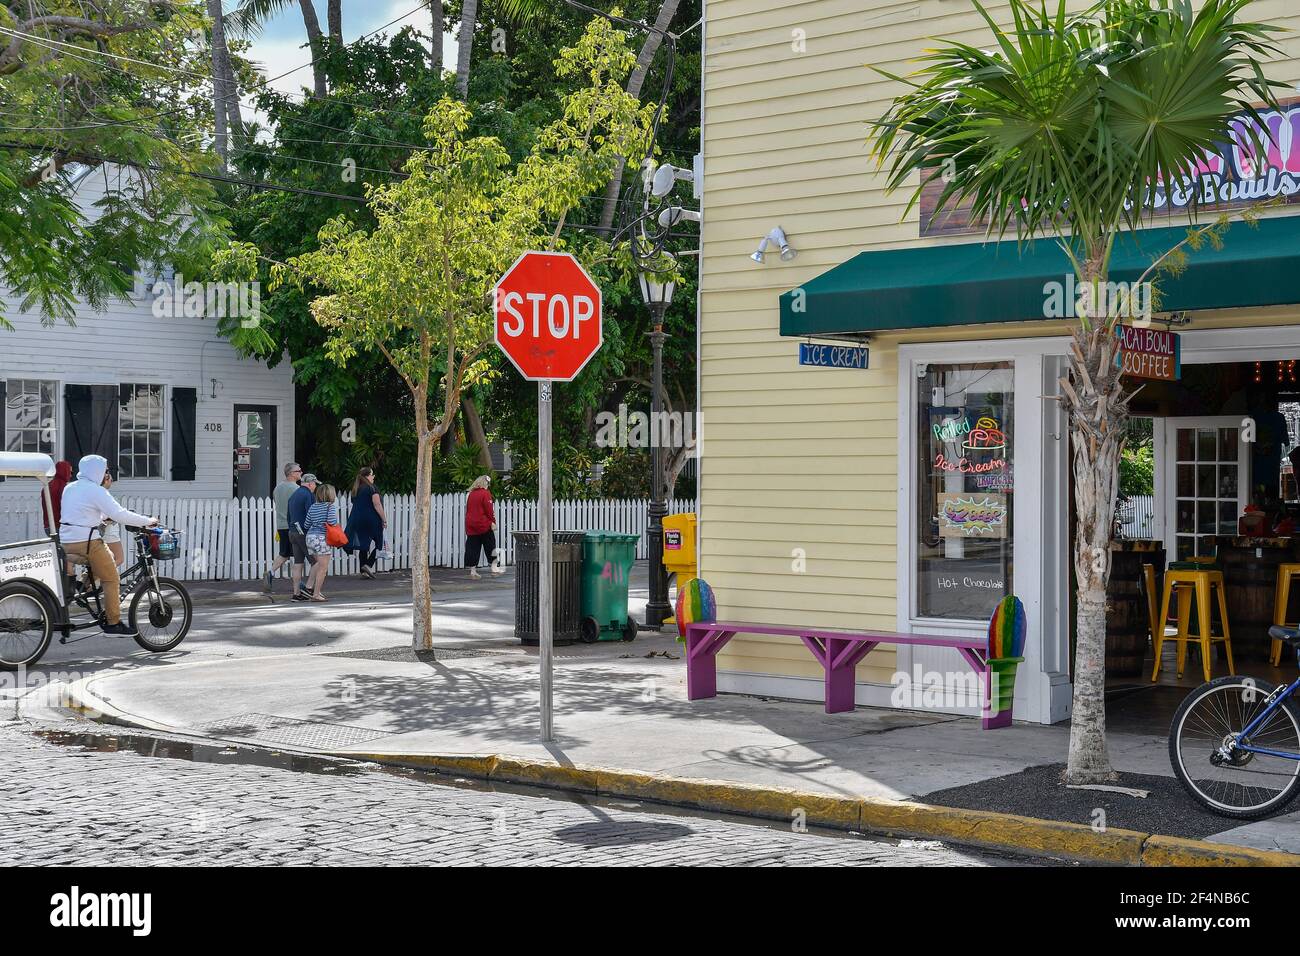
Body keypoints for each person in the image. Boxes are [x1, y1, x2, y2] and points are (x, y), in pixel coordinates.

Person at [59, 454, 157, 637]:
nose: (106, 474)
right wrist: (147, 521)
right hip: (87, 543)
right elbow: (120, 514)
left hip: (66, 543)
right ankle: (113, 623)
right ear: (97, 471)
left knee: (108, 559)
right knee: (111, 577)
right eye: (104, 470)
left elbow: (82, 512)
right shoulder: (96, 490)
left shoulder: (70, 488)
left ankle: (82, 585)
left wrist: (103, 517)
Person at [265, 462, 303, 594]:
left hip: (281, 525)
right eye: (298, 471)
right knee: (300, 555)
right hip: (293, 525)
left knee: (285, 553)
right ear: (292, 474)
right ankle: (299, 585)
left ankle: (270, 572)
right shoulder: (297, 489)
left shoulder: (278, 488)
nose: (301, 472)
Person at [345, 466, 387, 579]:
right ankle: (368, 565)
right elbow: (377, 504)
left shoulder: (356, 489)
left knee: (363, 544)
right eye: (372, 474)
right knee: (379, 543)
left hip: (357, 520)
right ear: (367, 476)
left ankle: (363, 571)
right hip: (371, 519)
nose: (373, 476)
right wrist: (384, 519)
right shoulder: (372, 488)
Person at [303, 482, 338, 602]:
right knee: (323, 569)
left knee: (317, 564)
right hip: (322, 538)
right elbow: (332, 522)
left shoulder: (313, 506)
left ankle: (308, 587)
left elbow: (306, 524)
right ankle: (316, 594)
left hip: (310, 538)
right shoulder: (330, 506)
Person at [287, 472, 319, 601]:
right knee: (316, 561)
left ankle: (296, 593)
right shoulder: (308, 495)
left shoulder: (294, 495)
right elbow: (310, 514)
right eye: (315, 484)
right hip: (303, 532)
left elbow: (288, 515)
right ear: (310, 484)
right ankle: (308, 589)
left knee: (298, 563)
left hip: (292, 531)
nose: (315, 486)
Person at [464, 475, 501, 580]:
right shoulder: (486, 494)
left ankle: (473, 571)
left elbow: (468, 509)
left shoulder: (469, 494)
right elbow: (489, 510)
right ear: (485, 483)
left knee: (472, 547)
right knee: (490, 545)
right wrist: (493, 522)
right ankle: (494, 569)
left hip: (471, 525)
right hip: (483, 524)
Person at [98, 468, 125, 568]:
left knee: (106, 560)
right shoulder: (104, 494)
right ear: (106, 480)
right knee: (119, 559)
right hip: (109, 532)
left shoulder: (98, 493)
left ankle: (95, 578)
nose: (111, 483)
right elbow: (106, 515)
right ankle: (99, 576)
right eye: (111, 480)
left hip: (106, 532)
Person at [42, 460, 73, 534]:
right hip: (60, 527)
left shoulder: (47, 486)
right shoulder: (64, 487)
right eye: (70, 472)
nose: (71, 475)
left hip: (48, 526)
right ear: (65, 471)